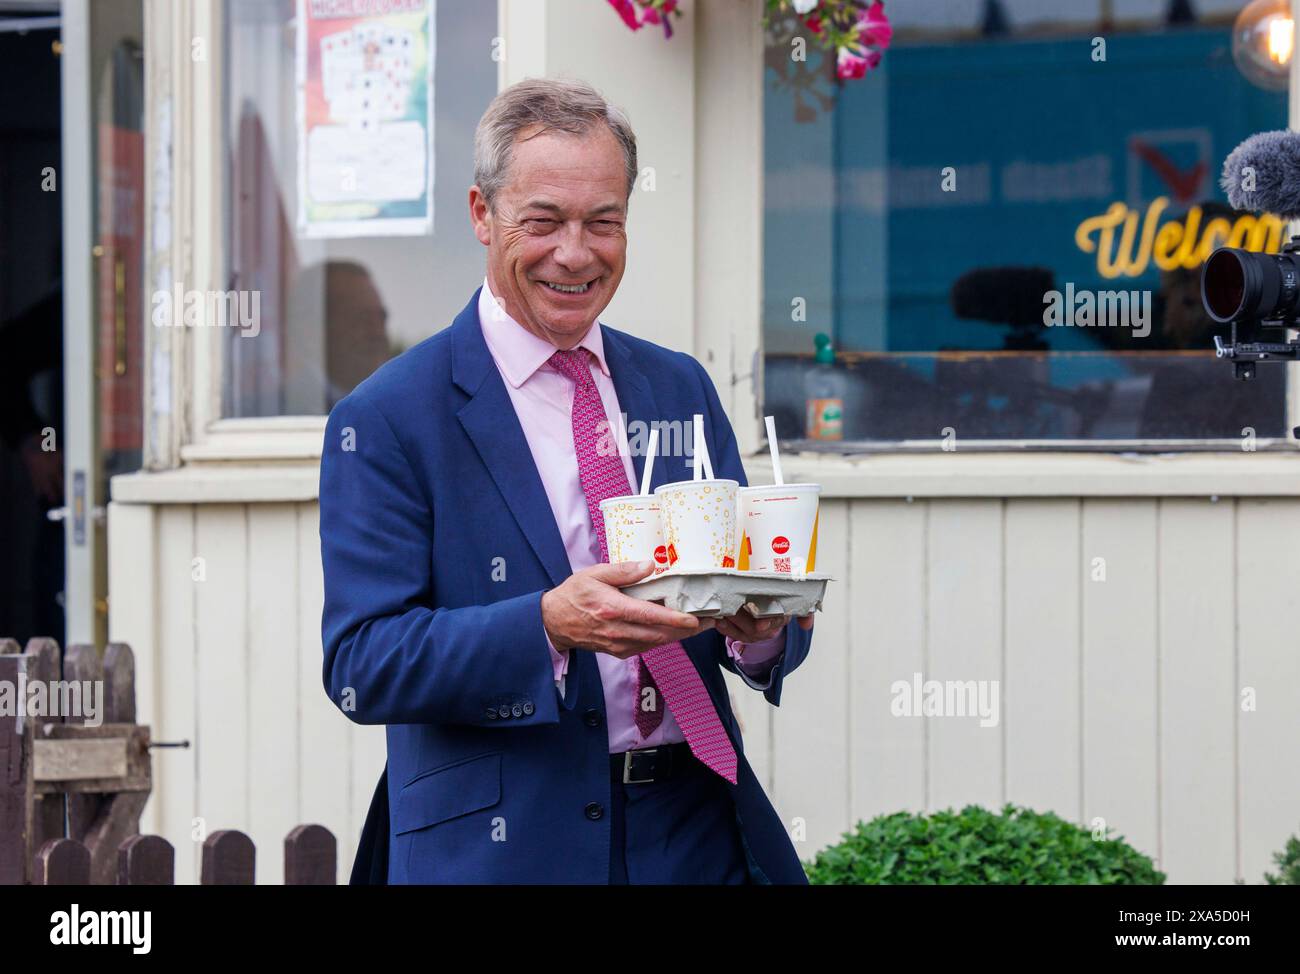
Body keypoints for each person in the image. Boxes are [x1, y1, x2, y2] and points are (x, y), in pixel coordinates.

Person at [319, 77, 815, 884]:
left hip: (697, 831)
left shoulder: (680, 385)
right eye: (543, 221)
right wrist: (546, 625)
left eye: (604, 222)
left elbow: (751, 606)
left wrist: (761, 632)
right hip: (504, 847)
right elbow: (362, 663)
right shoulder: (386, 416)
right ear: (483, 216)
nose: (576, 252)